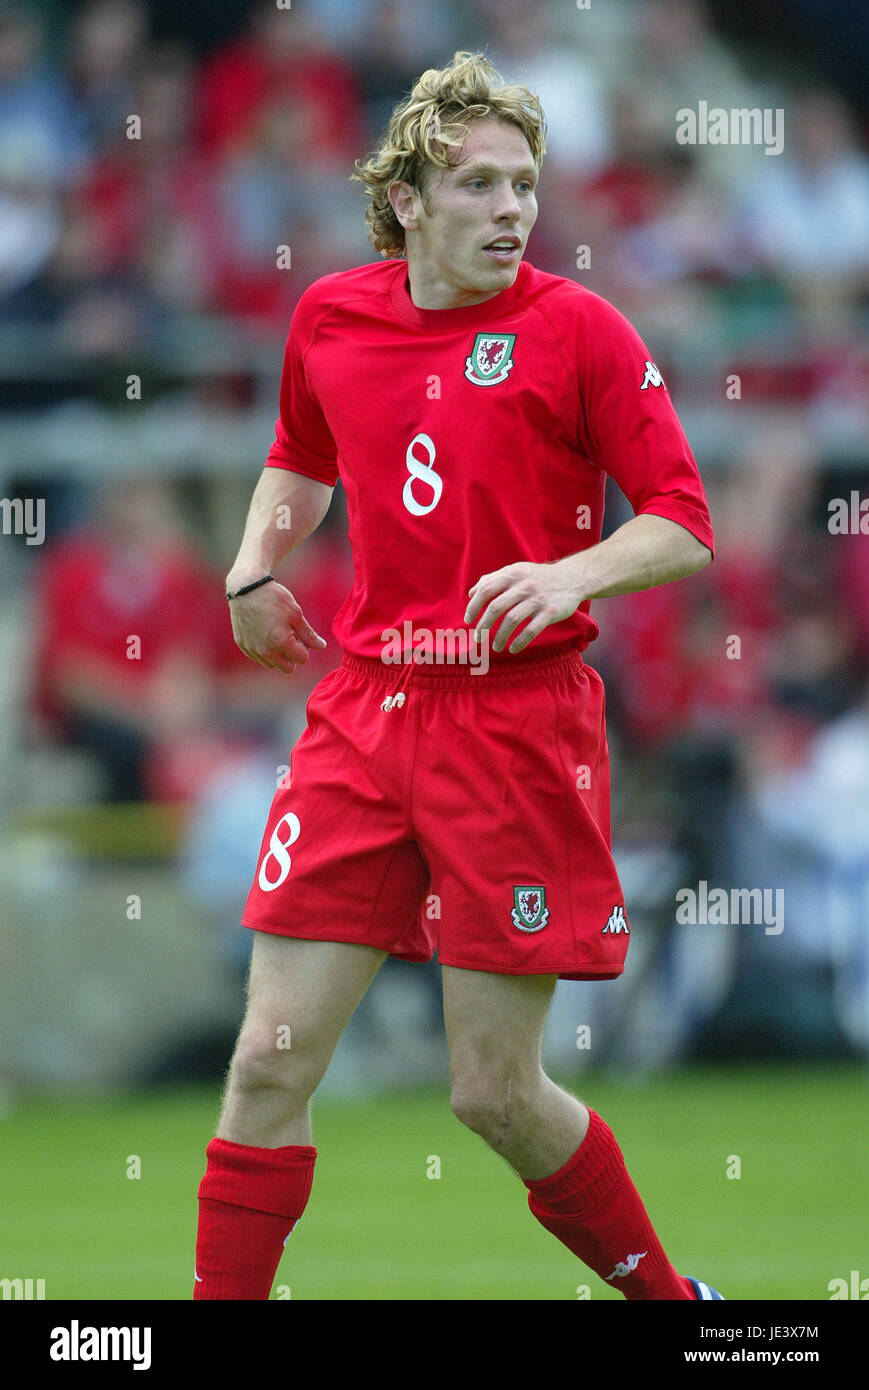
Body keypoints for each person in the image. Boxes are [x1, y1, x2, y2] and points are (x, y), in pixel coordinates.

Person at [193, 51, 721, 1302]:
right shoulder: (329, 315)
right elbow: (296, 459)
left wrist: (571, 574)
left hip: (515, 724)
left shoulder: (577, 327)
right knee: (268, 1061)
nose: (510, 209)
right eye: (476, 184)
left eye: (524, 185)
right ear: (409, 201)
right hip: (365, 716)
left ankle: (678, 1309)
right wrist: (252, 567)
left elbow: (685, 518)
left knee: (489, 1091)